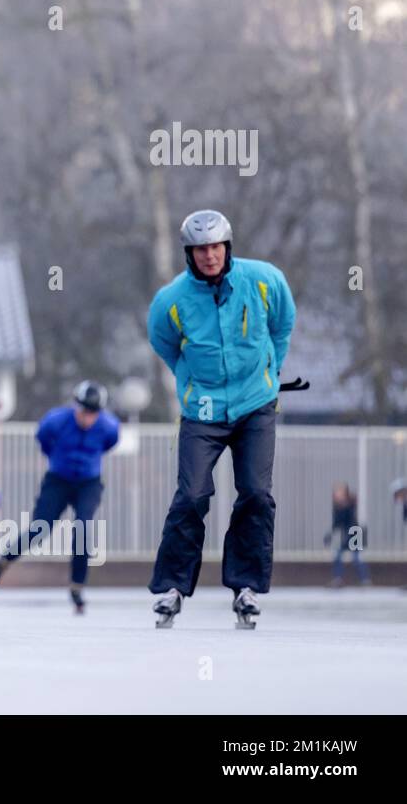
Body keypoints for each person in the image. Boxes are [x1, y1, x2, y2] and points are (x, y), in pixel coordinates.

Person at [146, 209, 295, 629]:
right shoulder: (171, 300)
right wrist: (189, 379)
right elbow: (164, 343)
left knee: (255, 494)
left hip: (256, 406)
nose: (209, 256)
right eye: (200, 249)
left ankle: (245, 586)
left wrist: (271, 370)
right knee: (192, 495)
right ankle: (171, 588)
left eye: (215, 247)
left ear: (227, 247)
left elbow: (282, 325)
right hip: (202, 411)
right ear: (188, 254)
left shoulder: (265, 281)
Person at [0, 382, 118, 613]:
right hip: (58, 479)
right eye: (84, 411)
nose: (88, 418)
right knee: (40, 528)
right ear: (76, 407)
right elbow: (43, 440)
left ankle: (77, 586)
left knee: (83, 527)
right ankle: (2, 563)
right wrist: (56, 459)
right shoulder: (56, 421)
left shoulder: (109, 427)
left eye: (93, 413)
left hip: (88, 482)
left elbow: (108, 446)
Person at [326, 482, 369, 587]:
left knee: (356, 558)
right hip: (347, 534)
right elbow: (336, 523)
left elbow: (348, 519)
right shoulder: (337, 507)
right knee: (338, 555)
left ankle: (365, 580)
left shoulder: (349, 505)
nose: (336, 494)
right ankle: (338, 579)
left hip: (355, 532)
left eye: (339, 492)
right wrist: (329, 534)